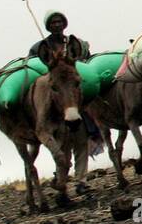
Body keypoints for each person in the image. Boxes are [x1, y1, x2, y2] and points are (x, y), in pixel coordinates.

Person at [29, 11, 103, 157]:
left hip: (75, 89)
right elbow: (33, 67)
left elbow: (86, 61)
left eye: (59, 22)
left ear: (64, 24)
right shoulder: (40, 47)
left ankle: (82, 175)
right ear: (48, 27)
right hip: (56, 93)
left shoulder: (75, 43)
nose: (57, 25)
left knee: (89, 123)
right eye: (53, 23)